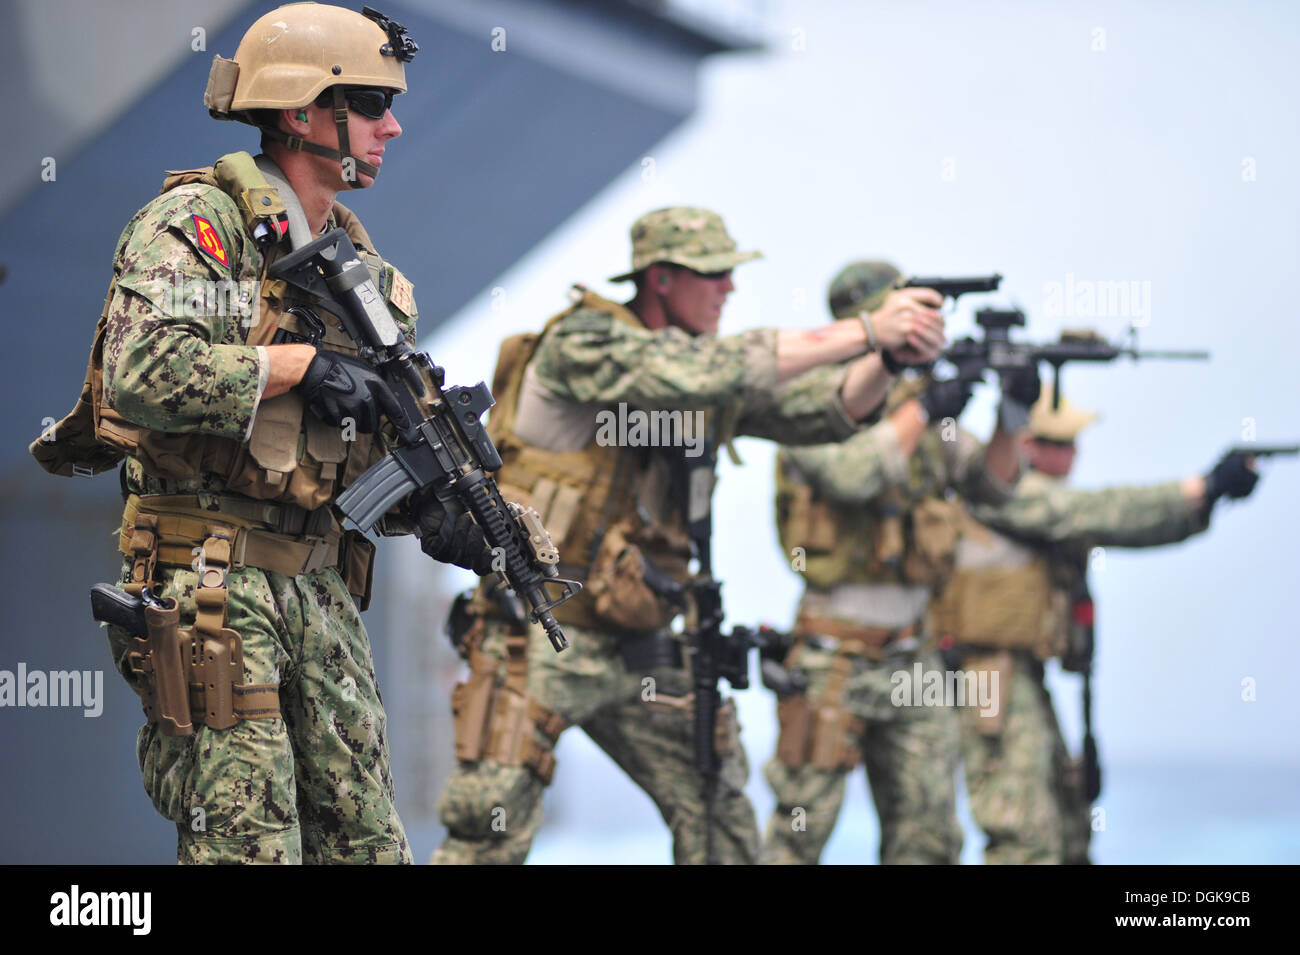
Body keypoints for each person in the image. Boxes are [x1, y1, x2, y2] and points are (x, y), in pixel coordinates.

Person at [28, 3, 470, 864]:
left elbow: (367, 455)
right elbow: (145, 370)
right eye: (373, 103)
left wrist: (446, 507)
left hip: (320, 587)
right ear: (304, 111)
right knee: (247, 846)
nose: (394, 124)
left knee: (367, 847)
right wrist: (294, 367)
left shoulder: (366, 277)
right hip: (212, 581)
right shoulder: (203, 227)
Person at [430, 216, 949, 865]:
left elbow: (825, 411)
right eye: (714, 272)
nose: (729, 287)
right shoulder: (586, 341)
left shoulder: (702, 374)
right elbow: (688, 370)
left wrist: (889, 360)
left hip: (640, 640)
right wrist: (870, 328)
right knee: (490, 827)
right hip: (535, 631)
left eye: (732, 272)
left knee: (719, 814)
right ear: (662, 278)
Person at [759, 259, 1035, 865]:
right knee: (798, 836)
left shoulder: (922, 409)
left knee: (930, 837)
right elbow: (853, 474)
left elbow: (994, 489)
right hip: (834, 655)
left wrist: (1013, 416)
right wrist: (930, 404)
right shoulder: (813, 402)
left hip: (914, 654)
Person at [929, 392, 1263, 863]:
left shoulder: (1033, 503)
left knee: (1068, 832)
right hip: (989, 681)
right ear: (1025, 443)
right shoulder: (1006, 495)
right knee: (1023, 835)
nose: (1070, 457)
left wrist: (1205, 496)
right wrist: (1201, 489)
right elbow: (1105, 512)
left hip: (1018, 678)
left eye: (1072, 445)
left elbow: (1121, 523)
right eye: (1057, 444)